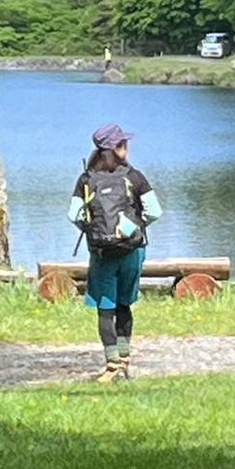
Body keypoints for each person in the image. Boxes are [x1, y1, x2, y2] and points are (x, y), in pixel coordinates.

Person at [68, 123, 163, 383]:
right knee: (124, 304)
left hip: (102, 254)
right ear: (117, 149)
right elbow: (155, 211)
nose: (127, 147)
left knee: (105, 308)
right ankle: (124, 362)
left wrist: (92, 230)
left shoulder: (87, 179)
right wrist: (134, 228)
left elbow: (73, 214)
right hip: (132, 252)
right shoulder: (134, 176)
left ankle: (111, 365)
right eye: (123, 143)